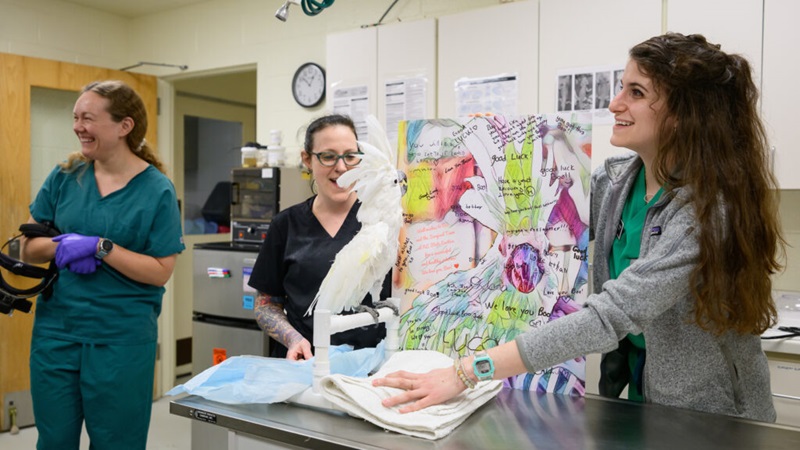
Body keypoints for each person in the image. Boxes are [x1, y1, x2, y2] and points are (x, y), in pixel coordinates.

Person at [373, 32, 784, 423]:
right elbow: (547, 233)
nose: (614, 104)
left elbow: (611, 314)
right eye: (621, 87)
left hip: (712, 417)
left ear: (682, 116)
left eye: (635, 93)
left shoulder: (708, 210)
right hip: (636, 399)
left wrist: (467, 371)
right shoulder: (612, 182)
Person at [20, 80, 185, 449]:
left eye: (88, 118)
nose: (78, 126)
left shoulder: (156, 189)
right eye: (75, 117)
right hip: (57, 334)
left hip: (120, 341)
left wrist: (100, 247)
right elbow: (28, 248)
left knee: (116, 442)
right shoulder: (64, 178)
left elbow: (161, 269)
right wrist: (60, 247)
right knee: (53, 440)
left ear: (124, 126)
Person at [249, 114, 390, 360]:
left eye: (350, 155)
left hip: (370, 369)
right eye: (328, 156)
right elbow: (265, 305)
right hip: (304, 365)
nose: (341, 167)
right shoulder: (286, 225)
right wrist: (293, 339)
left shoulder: (383, 221)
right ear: (307, 160)